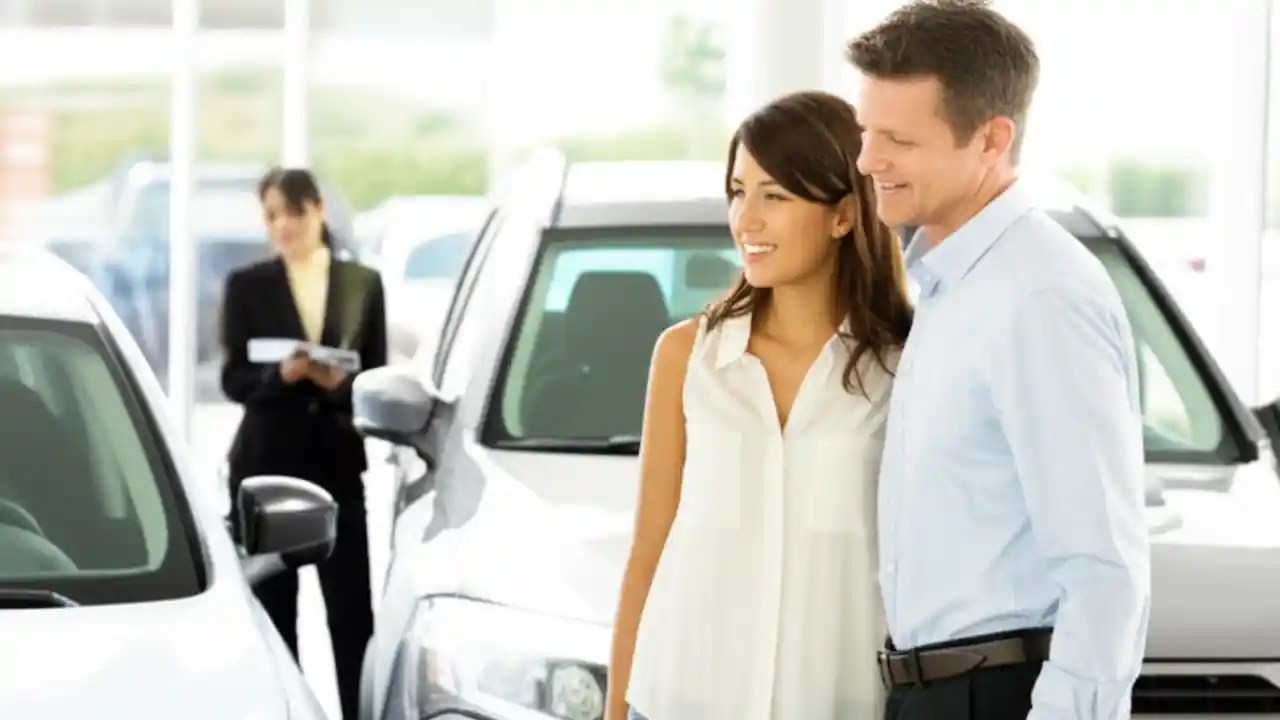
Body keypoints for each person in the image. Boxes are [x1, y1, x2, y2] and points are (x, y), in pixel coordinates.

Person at [847, 2, 1151, 718]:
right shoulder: (956, 284)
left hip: (997, 696)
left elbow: (1103, 569)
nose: (867, 160)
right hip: (936, 692)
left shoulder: (1038, 297)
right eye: (867, 133)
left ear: (991, 139)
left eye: (898, 139)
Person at [605, 90, 914, 720]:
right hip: (681, 700)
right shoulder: (687, 358)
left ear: (843, 215)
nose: (747, 220)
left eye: (775, 196)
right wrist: (615, 710)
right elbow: (649, 552)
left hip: (838, 703)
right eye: (737, 192)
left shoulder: (905, 368)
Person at [219, 167, 387, 720]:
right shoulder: (247, 285)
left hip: (338, 465)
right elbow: (233, 379)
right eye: (271, 215)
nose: (283, 225)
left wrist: (339, 385)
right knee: (272, 617)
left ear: (318, 209)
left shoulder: (363, 284)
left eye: (293, 211)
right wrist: (282, 379)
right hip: (267, 469)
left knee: (353, 619)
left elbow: (375, 374)